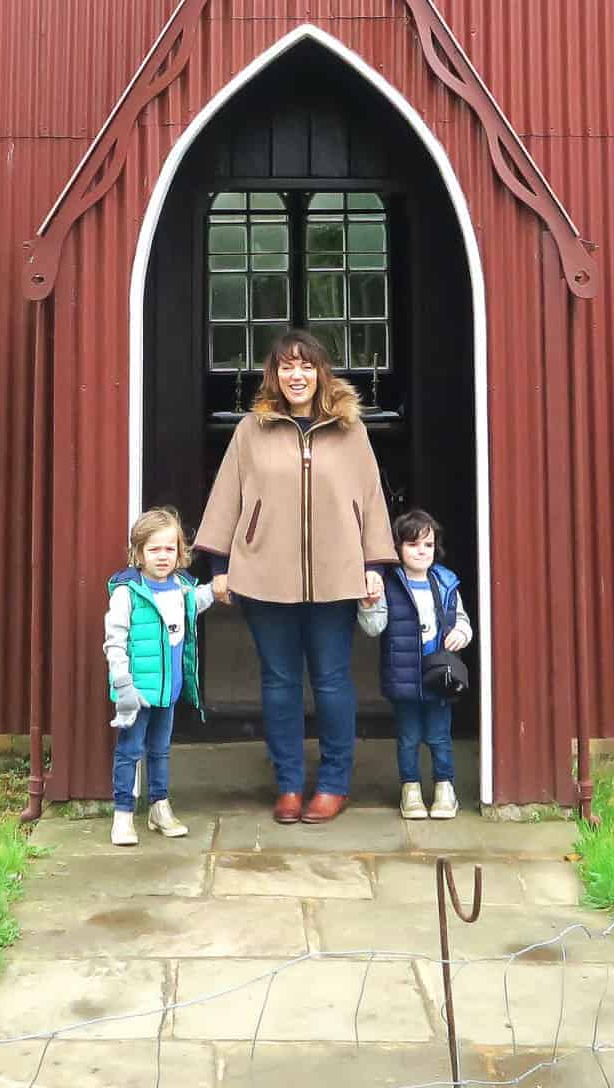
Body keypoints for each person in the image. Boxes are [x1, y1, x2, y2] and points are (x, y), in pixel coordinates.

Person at [195, 329, 394, 825]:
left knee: (331, 681)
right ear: (274, 375)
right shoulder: (251, 429)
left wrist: (373, 566)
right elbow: (227, 497)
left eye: (306, 366)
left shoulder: (351, 430)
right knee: (280, 682)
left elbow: (370, 499)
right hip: (265, 574)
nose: (296, 375)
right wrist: (220, 566)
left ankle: (332, 783)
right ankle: (287, 783)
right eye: (286, 367)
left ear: (321, 373)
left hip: (336, 576)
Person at [103, 505, 213, 848]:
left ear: (180, 553)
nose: (162, 556)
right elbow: (115, 642)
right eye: (154, 549)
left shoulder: (181, 588)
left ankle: (159, 807)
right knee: (130, 750)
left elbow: (197, 600)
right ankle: (123, 814)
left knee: (161, 750)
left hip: (169, 690)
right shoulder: (128, 593)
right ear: (138, 553)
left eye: (170, 549)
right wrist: (124, 686)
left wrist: (222, 587)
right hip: (136, 692)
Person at [358, 507, 473, 819]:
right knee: (408, 737)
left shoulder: (446, 582)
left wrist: (462, 632)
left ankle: (444, 787)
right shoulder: (390, 584)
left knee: (439, 735)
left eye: (428, 545)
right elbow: (374, 628)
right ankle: (410, 788)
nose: (421, 551)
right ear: (398, 547)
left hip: (439, 674)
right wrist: (368, 605)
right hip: (403, 675)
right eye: (412, 544)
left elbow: (461, 619)